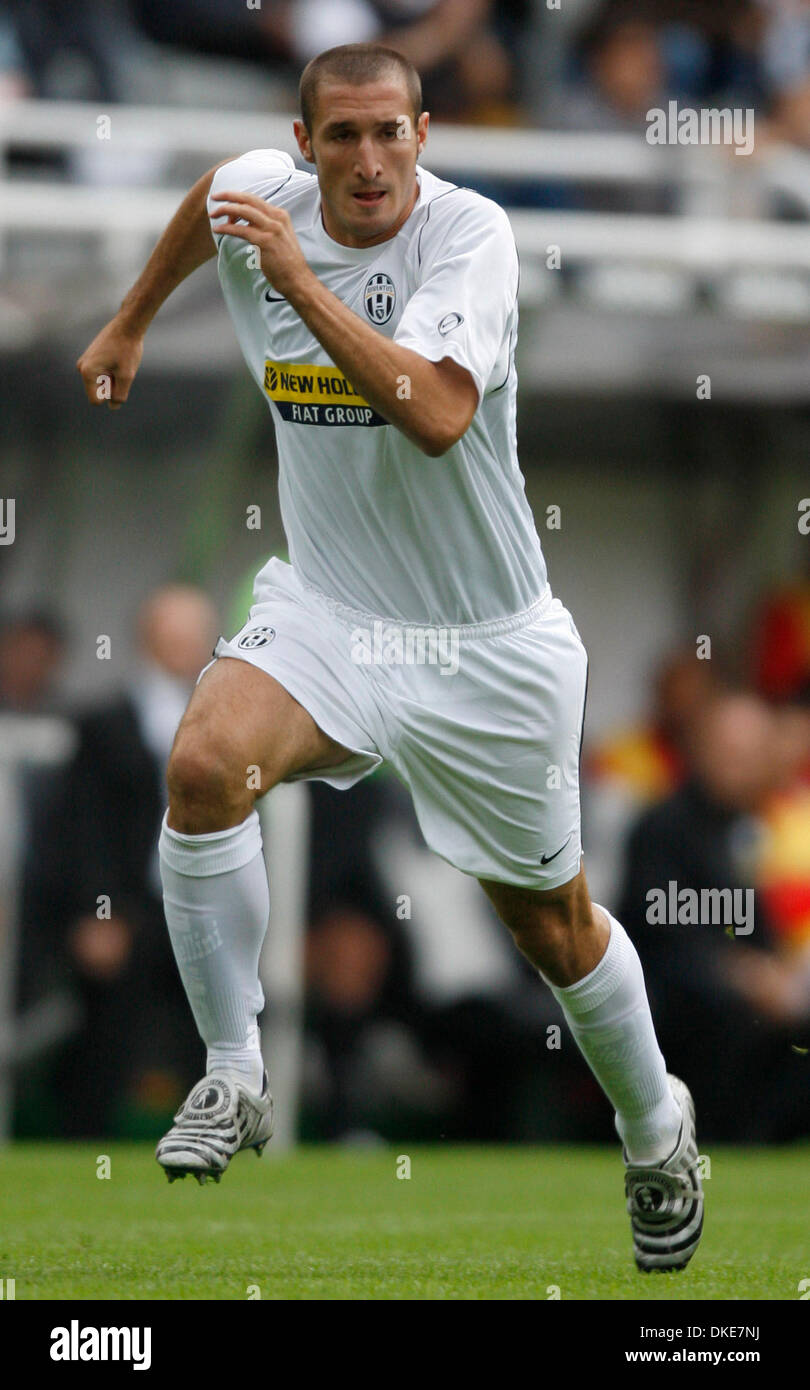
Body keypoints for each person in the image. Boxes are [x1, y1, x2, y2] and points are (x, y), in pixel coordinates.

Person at [76, 42, 703, 1272]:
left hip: (489, 648)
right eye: (343, 137)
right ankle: (235, 1070)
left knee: (556, 927)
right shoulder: (266, 193)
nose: (369, 159)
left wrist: (301, 284)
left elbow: (434, 414)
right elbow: (210, 202)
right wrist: (128, 321)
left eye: (391, 133)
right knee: (204, 764)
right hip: (333, 612)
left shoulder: (470, 240)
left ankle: (656, 1129)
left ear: (427, 137)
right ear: (303, 146)